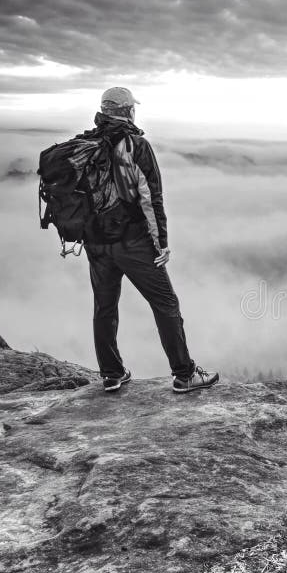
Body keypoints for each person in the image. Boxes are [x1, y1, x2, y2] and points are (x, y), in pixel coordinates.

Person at [83, 86, 219, 393]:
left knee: (104, 307)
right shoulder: (135, 145)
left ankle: (111, 374)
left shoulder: (86, 145)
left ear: (103, 112)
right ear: (128, 111)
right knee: (165, 303)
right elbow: (151, 198)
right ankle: (185, 375)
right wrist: (162, 244)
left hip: (95, 242)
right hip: (133, 242)